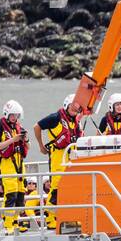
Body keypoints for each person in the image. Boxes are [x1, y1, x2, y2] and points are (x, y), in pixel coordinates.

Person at [34, 93, 84, 229]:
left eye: (77, 108)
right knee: (56, 189)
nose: (74, 109)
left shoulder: (75, 121)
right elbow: (37, 126)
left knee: (70, 189)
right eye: (72, 107)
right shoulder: (55, 118)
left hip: (71, 157)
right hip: (58, 157)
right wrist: (41, 145)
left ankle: (66, 218)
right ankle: (50, 219)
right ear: (66, 106)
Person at [0, 100, 29, 234]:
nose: (15, 118)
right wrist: (13, 140)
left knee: (20, 194)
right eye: (13, 115)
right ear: (7, 114)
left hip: (19, 164)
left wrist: (25, 140)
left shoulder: (18, 127)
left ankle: (16, 221)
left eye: (17, 115)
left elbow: (26, 148)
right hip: (7, 164)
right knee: (10, 194)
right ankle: (8, 225)